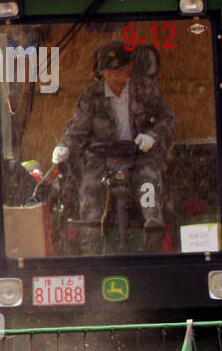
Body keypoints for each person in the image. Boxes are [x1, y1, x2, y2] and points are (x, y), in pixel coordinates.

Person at [52, 41, 176, 252]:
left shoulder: (144, 89)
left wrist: (152, 136)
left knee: (149, 182)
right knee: (90, 188)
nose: (114, 79)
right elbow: (78, 129)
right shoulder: (92, 96)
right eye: (109, 74)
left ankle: (152, 235)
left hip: (140, 153)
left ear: (129, 68)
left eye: (118, 72)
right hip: (102, 156)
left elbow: (168, 120)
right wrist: (64, 147)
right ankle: (92, 244)